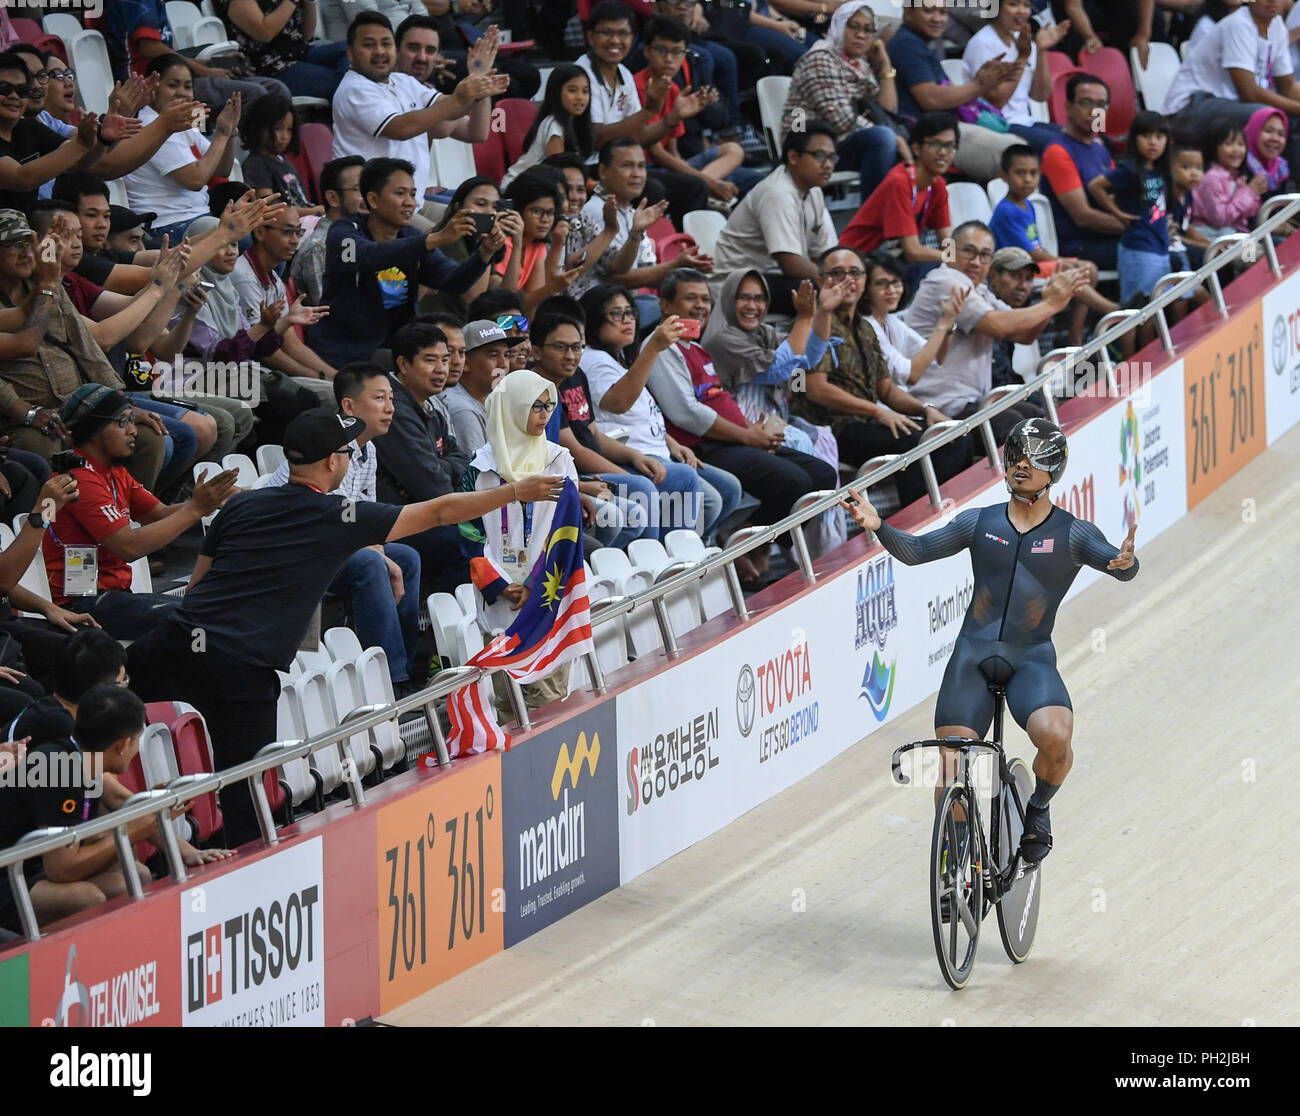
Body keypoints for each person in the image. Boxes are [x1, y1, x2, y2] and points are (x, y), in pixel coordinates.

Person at [127, 406, 566, 846]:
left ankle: (81, 820)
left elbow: (199, 584)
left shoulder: (240, 506)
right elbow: (438, 512)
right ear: (332, 462)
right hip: (241, 671)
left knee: (101, 723)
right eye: (348, 453)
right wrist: (514, 493)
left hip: (176, 642)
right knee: (249, 801)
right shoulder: (336, 515)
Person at [842, 417, 1140, 867]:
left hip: (1031, 659)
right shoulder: (978, 523)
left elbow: (1118, 566)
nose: (1021, 464)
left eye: (1034, 459)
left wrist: (1125, 563)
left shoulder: (1073, 534)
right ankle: (954, 853)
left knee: (1057, 739)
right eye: (1015, 455)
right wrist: (879, 525)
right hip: (972, 655)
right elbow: (918, 552)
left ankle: (1037, 811)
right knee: (952, 762)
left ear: (1052, 470)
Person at [0, 662, 227, 931]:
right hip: (8, 875)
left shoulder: (85, 758)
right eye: (136, 743)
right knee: (86, 898)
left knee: (135, 875)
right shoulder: (59, 768)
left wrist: (188, 853)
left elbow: (124, 805)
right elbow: (62, 868)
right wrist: (133, 829)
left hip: (30, 869)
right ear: (122, 745)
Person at [645, 268, 838, 565]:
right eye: (690, 299)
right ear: (666, 305)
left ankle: (749, 538)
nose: (700, 305)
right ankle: (748, 542)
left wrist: (751, 431)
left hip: (737, 437)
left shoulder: (695, 346)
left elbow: (804, 361)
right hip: (703, 447)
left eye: (704, 299)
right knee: (795, 482)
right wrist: (748, 435)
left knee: (823, 475)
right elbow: (688, 414)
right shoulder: (662, 346)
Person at [265, 364, 424, 692]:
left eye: (392, 398)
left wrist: (388, 558)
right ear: (349, 406)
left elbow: (366, 520)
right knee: (370, 563)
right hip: (299, 547)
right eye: (380, 398)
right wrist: (382, 558)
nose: (390, 407)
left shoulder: (369, 450)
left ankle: (406, 666)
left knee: (406, 557)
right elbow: (338, 527)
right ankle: (389, 680)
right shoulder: (330, 446)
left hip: (332, 542)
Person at [41, 385, 238, 639]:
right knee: (199, 619)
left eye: (132, 420)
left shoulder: (113, 471)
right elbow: (129, 547)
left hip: (111, 595)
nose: (133, 430)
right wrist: (196, 507)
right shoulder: (78, 477)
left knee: (214, 610)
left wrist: (212, 502)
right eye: (122, 422)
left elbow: (160, 514)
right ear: (94, 430)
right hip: (79, 603)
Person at [0, 210, 169, 488]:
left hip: (75, 403)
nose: (25, 253)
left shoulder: (42, 281)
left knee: (146, 436)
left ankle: (123, 517)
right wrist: (26, 412)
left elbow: (83, 341)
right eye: (15, 245)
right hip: (20, 416)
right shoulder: (45, 282)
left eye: (28, 244)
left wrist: (119, 404)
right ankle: (54, 527)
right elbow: (26, 343)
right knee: (43, 447)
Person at [789, 247, 968, 509]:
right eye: (837, 273)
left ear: (863, 281)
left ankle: (952, 512)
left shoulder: (864, 327)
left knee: (954, 435)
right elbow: (816, 389)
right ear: (820, 281)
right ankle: (916, 523)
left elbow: (886, 390)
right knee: (913, 444)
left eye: (855, 273)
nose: (848, 280)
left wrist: (925, 409)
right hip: (833, 427)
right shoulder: (815, 323)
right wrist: (877, 412)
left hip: (868, 420)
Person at [580, 284, 738, 541]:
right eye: (616, 314)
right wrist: (653, 348)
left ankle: (687, 549)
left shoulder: (618, 357)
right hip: (629, 456)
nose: (627, 319)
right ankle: (674, 560)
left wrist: (672, 442)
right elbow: (618, 403)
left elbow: (642, 412)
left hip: (659, 450)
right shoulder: (593, 360)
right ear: (595, 320)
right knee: (702, 492)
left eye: (630, 312)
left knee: (729, 488)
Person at [316, 157, 507, 368]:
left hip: (396, 352)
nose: (410, 202)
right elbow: (368, 256)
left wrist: (484, 254)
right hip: (346, 354)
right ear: (373, 200)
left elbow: (455, 281)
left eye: (413, 194)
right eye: (400, 193)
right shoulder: (344, 233)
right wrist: (435, 239)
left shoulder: (411, 235)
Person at [903, 222, 1087, 440]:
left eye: (984, 255)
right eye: (969, 252)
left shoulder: (978, 289)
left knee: (1034, 415)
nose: (976, 262)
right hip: (939, 406)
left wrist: (1056, 300)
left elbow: (1024, 335)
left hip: (972, 401)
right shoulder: (946, 281)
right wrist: (1051, 305)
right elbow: (999, 326)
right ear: (950, 250)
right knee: (1021, 427)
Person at [460, 369, 577, 714]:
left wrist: (535, 585)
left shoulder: (558, 461)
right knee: (508, 704)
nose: (543, 415)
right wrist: (498, 584)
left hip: (547, 595)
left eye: (548, 406)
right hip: (499, 600)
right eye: (534, 406)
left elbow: (565, 533)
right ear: (510, 408)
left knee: (548, 703)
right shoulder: (480, 467)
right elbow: (469, 533)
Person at [331, 11, 506, 213]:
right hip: (375, 210)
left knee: (487, 221)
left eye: (386, 44)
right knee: (464, 233)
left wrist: (478, 81)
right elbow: (401, 128)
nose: (379, 51)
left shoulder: (404, 82)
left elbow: (465, 120)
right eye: (369, 45)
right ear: (351, 53)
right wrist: (465, 94)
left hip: (411, 203)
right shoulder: (355, 89)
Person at [577, 2, 710, 221]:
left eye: (622, 33)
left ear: (632, 37)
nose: (615, 40)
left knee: (695, 187)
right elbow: (598, 138)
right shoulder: (581, 74)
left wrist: (672, 118)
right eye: (606, 33)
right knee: (652, 190)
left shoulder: (623, 73)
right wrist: (649, 111)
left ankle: (680, 248)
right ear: (590, 37)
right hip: (591, 167)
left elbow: (639, 137)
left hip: (619, 164)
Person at [378, 321, 472, 597]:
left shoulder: (430, 403)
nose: (442, 368)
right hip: (393, 524)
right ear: (403, 364)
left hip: (422, 514)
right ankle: (440, 617)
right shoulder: (392, 408)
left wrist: (442, 465)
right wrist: (443, 466)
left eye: (445, 359)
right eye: (430, 360)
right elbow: (432, 486)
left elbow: (462, 460)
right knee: (468, 541)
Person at [989, 144, 1116, 346]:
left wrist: (1061, 260)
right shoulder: (1006, 211)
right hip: (1018, 268)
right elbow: (1031, 253)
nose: (1028, 179)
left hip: (1033, 262)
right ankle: (1113, 310)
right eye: (1020, 173)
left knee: (1088, 268)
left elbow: (1037, 246)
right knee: (1073, 270)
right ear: (1004, 176)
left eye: (1033, 173)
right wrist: (1062, 262)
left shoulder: (1027, 205)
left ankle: (1074, 335)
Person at [780, 2, 905, 201]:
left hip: (840, 143)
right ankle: (871, 224)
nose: (861, 35)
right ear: (838, 26)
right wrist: (895, 139)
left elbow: (887, 110)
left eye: (868, 30)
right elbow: (842, 120)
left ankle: (897, 225)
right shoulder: (821, 58)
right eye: (853, 26)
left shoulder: (858, 65)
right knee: (883, 139)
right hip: (808, 148)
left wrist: (885, 64)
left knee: (909, 146)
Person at [886, 0, 1020, 184]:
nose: (937, 19)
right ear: (909, 13)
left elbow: (947, 92)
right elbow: (931, 99)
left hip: (948, 127)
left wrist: (980, 81)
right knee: (1017, 155)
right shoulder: (907, 44)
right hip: (929, 133)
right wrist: (980, 84)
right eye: (928, 11)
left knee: (1024, 150)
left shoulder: (917, 42)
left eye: (943, 12)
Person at [575, 137, 712, 316]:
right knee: (671, 310)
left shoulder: (633, 212)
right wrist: (675, 266)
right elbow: (618, 278)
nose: (637, 174)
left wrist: (685, 269)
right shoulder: (595, 210)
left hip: (626, 305)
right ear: (603, 171)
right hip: (596, 309)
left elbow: (649, 272)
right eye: (627, 165)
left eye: (641, 166)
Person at [634, 17, 762, 206]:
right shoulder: (639, 87)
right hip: (650, 168)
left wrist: (699, 177)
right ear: (647, 51)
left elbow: (673, 149)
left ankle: (707, 189)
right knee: (703, 184)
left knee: (734, 150)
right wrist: (709, 182)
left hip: (674, 164)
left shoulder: (675, 89)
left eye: (677, 52)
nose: (669, 59)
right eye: (661, 50)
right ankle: (707, 188)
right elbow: (657, 154)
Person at [1166, 0, 1300, 169]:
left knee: (1288, 118)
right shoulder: (1239, 25)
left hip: (1228, 105)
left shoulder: (1277, 27)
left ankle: (1287, 190)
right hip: (1190, 108)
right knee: (1267, 118)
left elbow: (1287, 86)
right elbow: (1248, 93)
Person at [123, 55, 239, 246]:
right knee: (239, 236)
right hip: (166, 226)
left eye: (187, 86)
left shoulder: (186, 120)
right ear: (153, 87)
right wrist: (221, 134)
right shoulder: (148, 123)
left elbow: (222, 170)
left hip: (198, 216)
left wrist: (230, 133)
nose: (182, 93)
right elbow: (195, 180)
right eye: (173, 85)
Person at [0, 52, 134, 217]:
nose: (14, 96)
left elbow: (78, 164)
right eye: (4, 89)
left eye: (21, 91)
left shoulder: (28, 127)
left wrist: (103, 140)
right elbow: (22, 179)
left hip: (26, 233)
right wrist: (81, 144)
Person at [712, 123, 836, 285]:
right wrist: (834, 282)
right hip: (737, 283)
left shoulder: (814, 191)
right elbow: (790, 264)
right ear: (793, 157)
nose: (828, 165)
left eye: (831, 157)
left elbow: (820, 256)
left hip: (768, 278)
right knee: (816, 289)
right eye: (819, 156)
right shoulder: (777, 193)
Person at [839, 111, 955, 268]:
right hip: (857, 261)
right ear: (916, 149)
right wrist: (951, 258)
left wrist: (953, 256)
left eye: (949, 146)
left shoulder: (937, 184)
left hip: (889, 261)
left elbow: (946, 237)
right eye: (935, 144)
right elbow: (912, 251)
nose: (943, 152)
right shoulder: (899, 182)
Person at [1039, 74, 1127, 270]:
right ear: (1068, 107)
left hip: (1109, 238)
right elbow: (1083, 216)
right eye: (1086, 103)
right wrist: (1136, 227)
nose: (1094, 112)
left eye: (1101, 105)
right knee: (1160, 254)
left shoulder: (1101, 150)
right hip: (1079, 246)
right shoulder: (1058, 151)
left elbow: (1116, 200)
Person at [960, 0, 1068, 153]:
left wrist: (1041, 51)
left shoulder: (1023, 40)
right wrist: (1022, 57)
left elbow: (1040, 95)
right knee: (1061, 146)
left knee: (1083, 139)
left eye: (1026, 5)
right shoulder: (983, 43)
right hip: (999, 125)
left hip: (1026, 122)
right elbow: (996, 102)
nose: (1022, 11)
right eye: (1013, 4)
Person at [1088, 111, 1173, 306]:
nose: (1153, 142)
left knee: (1156, 308)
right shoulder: (1129, 170)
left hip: (1160, 246)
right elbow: (1095, 186)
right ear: (1134, 139)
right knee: (1137, 310)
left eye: (1159, 137)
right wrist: (1117, 213)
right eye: (1146, 136)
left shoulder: (1160, 171)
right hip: (1138, 247)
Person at [863, 252, 965, 390]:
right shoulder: (867, 326)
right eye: (881, 284)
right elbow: (911, 376)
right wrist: (943, 323)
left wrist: (950, 320)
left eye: (895, 282)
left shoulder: (891, 321)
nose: (892, 290)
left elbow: (936, 357)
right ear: (865, 291)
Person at [216, 0, 351, 101]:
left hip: (299, 54)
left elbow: (306, 35)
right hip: (269, 67)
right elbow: (264, 33)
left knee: (351, 51)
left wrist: (309, 3)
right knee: (346, 82)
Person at [502, 65, 595, 191]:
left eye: (585, 91)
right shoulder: (554, 126)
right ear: (556, 93)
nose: (580, 97)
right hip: (517, 188)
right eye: (572, 90)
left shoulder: (575, 125)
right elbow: (559, 174)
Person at [291, 155, 364, 307]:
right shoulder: (320, 247)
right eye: (359, 189)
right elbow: (331, 309)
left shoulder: (359, 233)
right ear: (333, 198)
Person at [984, 247, 1055, 400]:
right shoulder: (980, 305)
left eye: (1029, 279)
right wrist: (1051, 303)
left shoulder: (1011, 306)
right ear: (993, 276)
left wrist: (1053, 302)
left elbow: (1027, 337)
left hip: (1004, 387)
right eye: (1014, 276)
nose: (1023, 286)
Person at [237, 93, 322, 216]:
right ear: (259, 127)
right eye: (278, 129)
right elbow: (269, 206)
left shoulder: (281, 160)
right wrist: (313, 212)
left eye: (289, 129)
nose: (284, 137)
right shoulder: (257, 165)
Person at [441, 318, 510, 455]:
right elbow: (476, 474)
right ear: (465, 362)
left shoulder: (490, 399)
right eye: (493, 355)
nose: (503, 364)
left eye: (506, 355)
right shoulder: (463, 411)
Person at [1191, 118, 1264, 237]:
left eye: (1241, 144)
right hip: (1215, 239)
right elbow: (1220, 219)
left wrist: (1254, 193)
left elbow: (1249, 214)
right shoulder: (1211, 178)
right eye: (1229, 144)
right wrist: (1249, 192)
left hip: (1235, 235)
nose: (1236, 150)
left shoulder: (1236, 176)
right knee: (1263, 252)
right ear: (1214, 147)